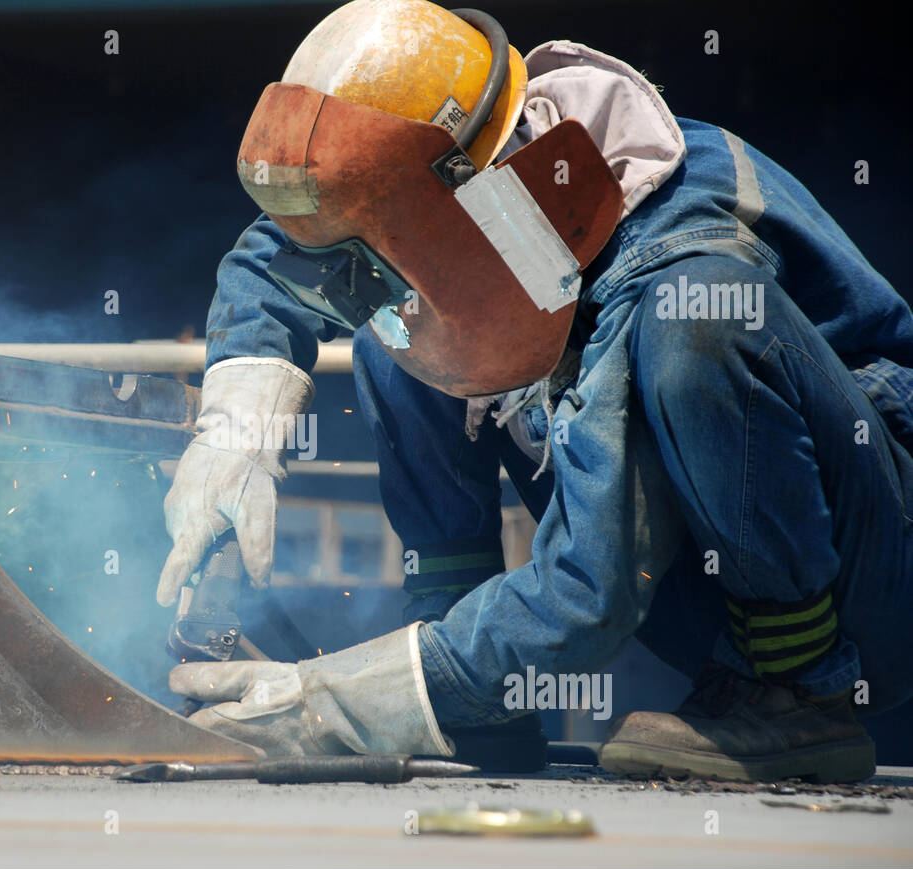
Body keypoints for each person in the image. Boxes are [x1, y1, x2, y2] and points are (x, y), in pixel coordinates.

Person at [156, 0, 913, 781]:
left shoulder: (679, 237)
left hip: (870, 584)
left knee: (699, 314)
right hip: (705, 599)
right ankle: (483, 705)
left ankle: (794, 692)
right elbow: (281, 254)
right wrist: (236, 434)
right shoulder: (490, 181)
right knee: (397, 332)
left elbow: (588, 591)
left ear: (481, 194)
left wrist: (335, 703)